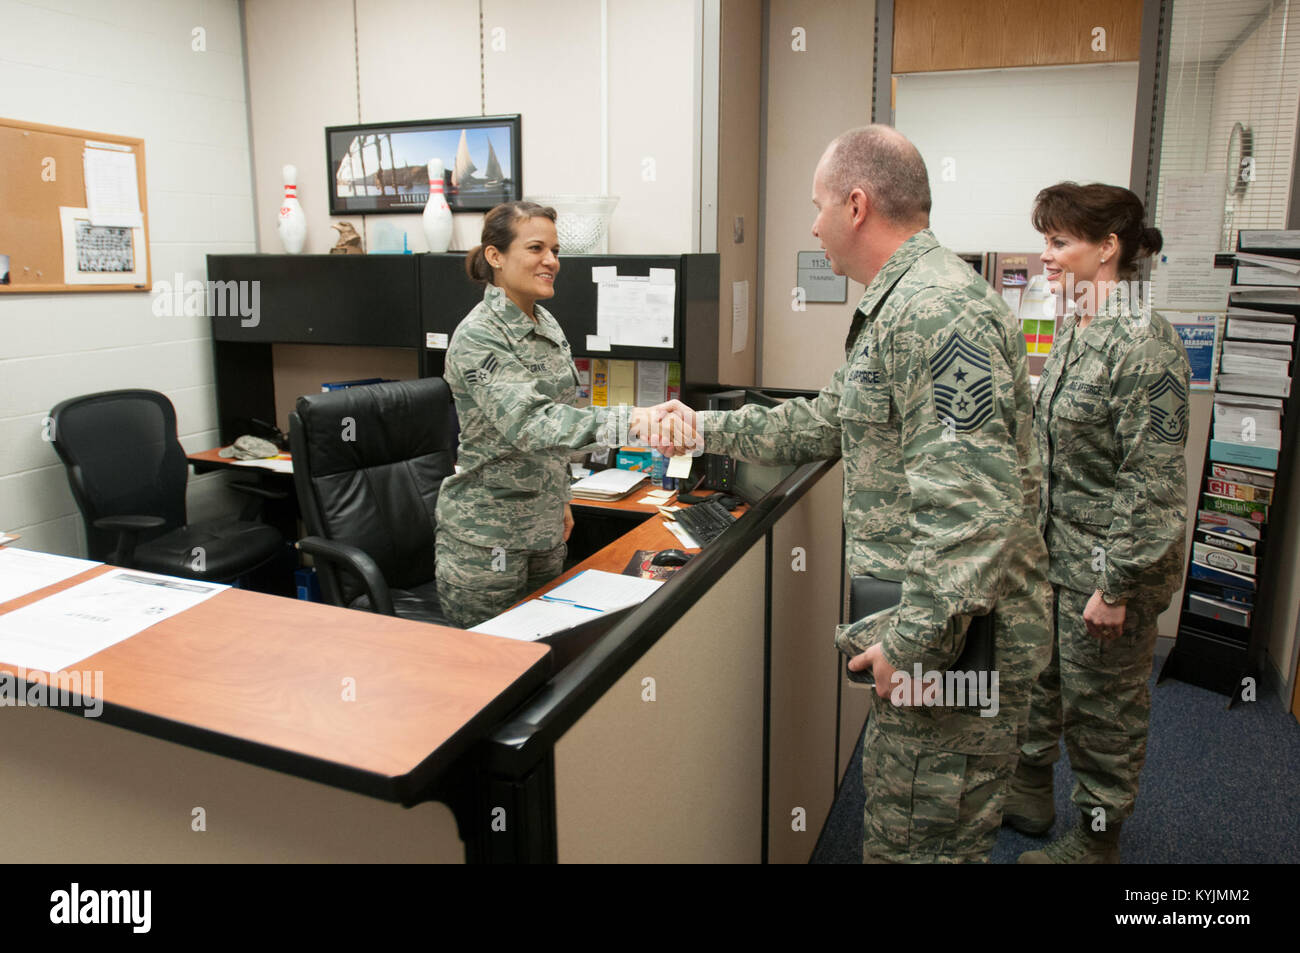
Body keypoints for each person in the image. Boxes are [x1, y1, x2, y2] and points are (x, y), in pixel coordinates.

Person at [650, 125, 1052, 863]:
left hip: (952, 643)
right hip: (941, 631)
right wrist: (704, 428)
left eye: (817, 205)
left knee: (918, 844)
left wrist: (910, 645)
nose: (812, 224)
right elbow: (825, 420)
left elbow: (973, 517)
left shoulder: (935, 313)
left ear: (858, 205)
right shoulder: (900, 307)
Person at [1006, 183, 1189, 864]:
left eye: (1059, 242)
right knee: (1042, 683)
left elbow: (1153, 483)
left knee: (1102, 710)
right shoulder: (1079, 327)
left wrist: (1116, 587)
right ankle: (1028, 793)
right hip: (1057, 554)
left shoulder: (1145, 343)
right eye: (1045, 239)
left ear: (1108, 247)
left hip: (1109, 567)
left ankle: (1095, 839)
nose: (1045, 255)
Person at [435, 201, 658, 629]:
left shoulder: (544, 321)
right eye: (536, 248)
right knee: (496, 668)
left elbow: (562, 415)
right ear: (495, 256)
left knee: (547, 655)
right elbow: (534, 424)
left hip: (545, 526)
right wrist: (635, 421)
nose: (551, 261)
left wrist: (561, 497)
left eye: (555, 250)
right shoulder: (479, 336)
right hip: (489, 542)